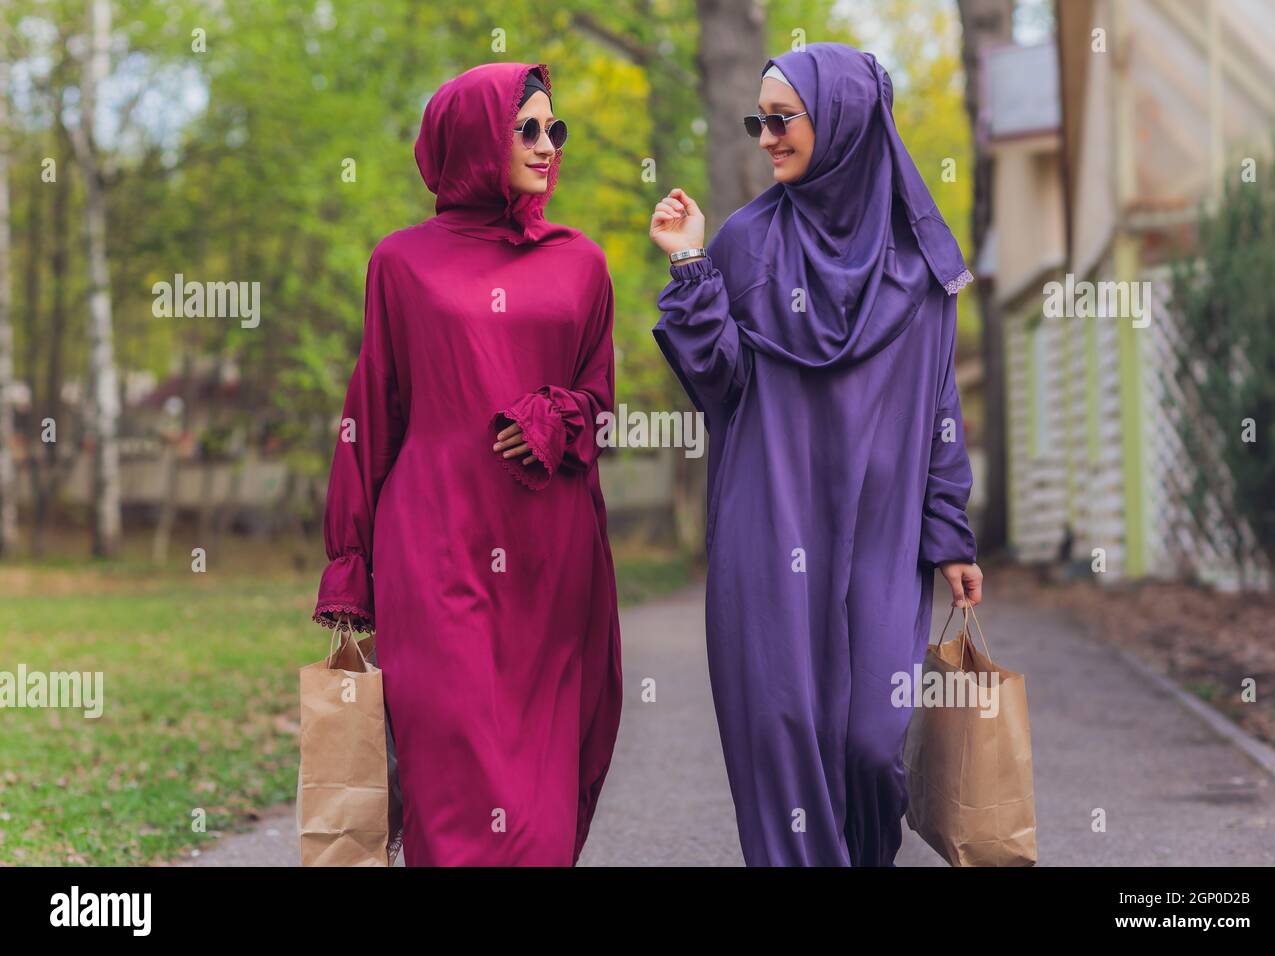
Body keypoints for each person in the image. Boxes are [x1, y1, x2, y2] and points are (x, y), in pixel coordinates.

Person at [649, 43, 983, 866]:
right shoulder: (745, 244)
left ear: (843, 120)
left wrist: (949, 533)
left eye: (782, 118)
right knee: (786, 735)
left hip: (882, 532)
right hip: (769, 523)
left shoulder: (918, 261)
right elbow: (717, 380)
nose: (765, 136)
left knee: (872, 743)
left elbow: (941, 403)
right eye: (756, 120)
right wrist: (691, 263)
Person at [313, 62, 622, 866]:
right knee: (453, 785)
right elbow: (369, 414)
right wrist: (350, 566)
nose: (546, 144)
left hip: (552, 561)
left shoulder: (582, 262)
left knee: (542, 819)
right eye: (527, 128)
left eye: (556, 129)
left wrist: (556, 413)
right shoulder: (401, 263)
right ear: (474, 138)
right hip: (435, 548)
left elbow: (599, 400)